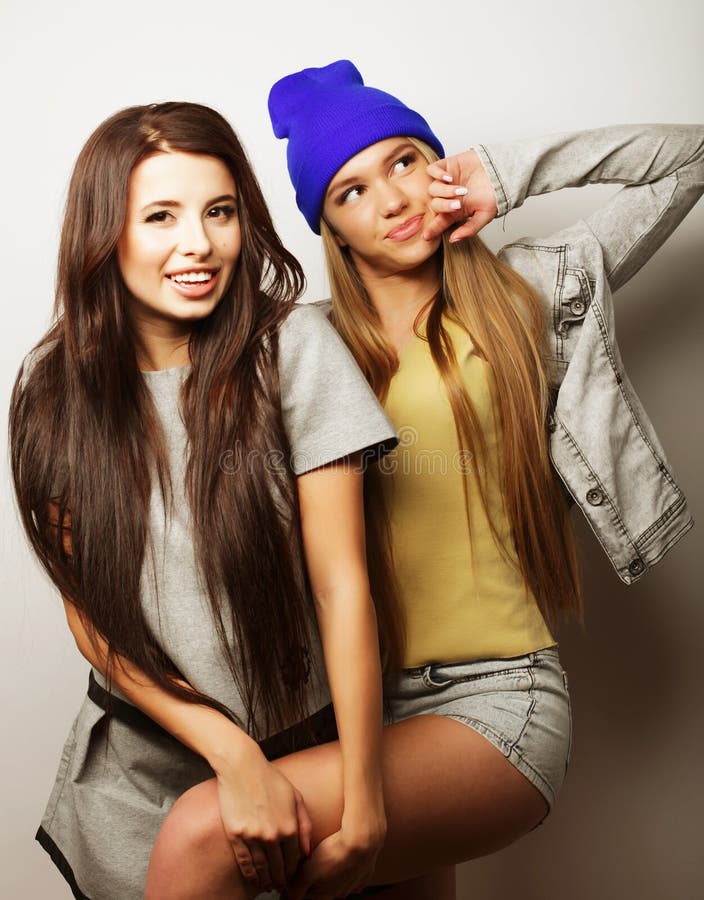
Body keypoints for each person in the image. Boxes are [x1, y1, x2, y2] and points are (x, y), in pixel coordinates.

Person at [142, 67, 703, 900]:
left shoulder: (532, 293)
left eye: (404, 162)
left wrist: (503, 173)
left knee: (201, 834)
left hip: (498, 697)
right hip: (356, 718)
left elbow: (689, 159)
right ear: (326, 227)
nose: (393, 200)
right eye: (352, 192)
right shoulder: (297, 347)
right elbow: (168, 342)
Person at [9, 100, 402, 900]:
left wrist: (362, 803)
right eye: (160, 215)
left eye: (219, 211)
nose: (199, 243)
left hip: (305, 751)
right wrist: (230, 752)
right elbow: (95, 622)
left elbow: (343, 587)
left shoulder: (290, 349)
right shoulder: (55, 391)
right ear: (104, 232)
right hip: (139, 765)